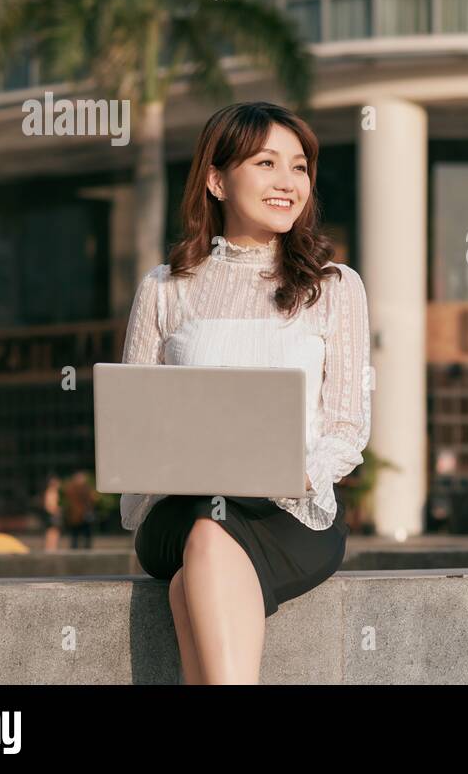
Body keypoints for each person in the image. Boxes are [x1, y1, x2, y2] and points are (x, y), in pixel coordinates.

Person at [118, 102, 370, 685]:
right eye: (266, 163)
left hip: (292, 514)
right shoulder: (164, 288)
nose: (288, 182)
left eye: (300, 167)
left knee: (192, 584)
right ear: (216, 178)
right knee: (208, 525)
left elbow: (346, 426)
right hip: (180, 512)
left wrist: (298, 475)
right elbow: (134, 419)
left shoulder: (335, 288)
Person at [42, 475, 63, 551]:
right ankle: (51, 547)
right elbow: (49, 505)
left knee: (54, 532)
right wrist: (56, 510)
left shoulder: (53, 492)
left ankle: (52, 547)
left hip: (52, 514)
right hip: (52, 515)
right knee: (52, 532)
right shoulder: (51, 492)